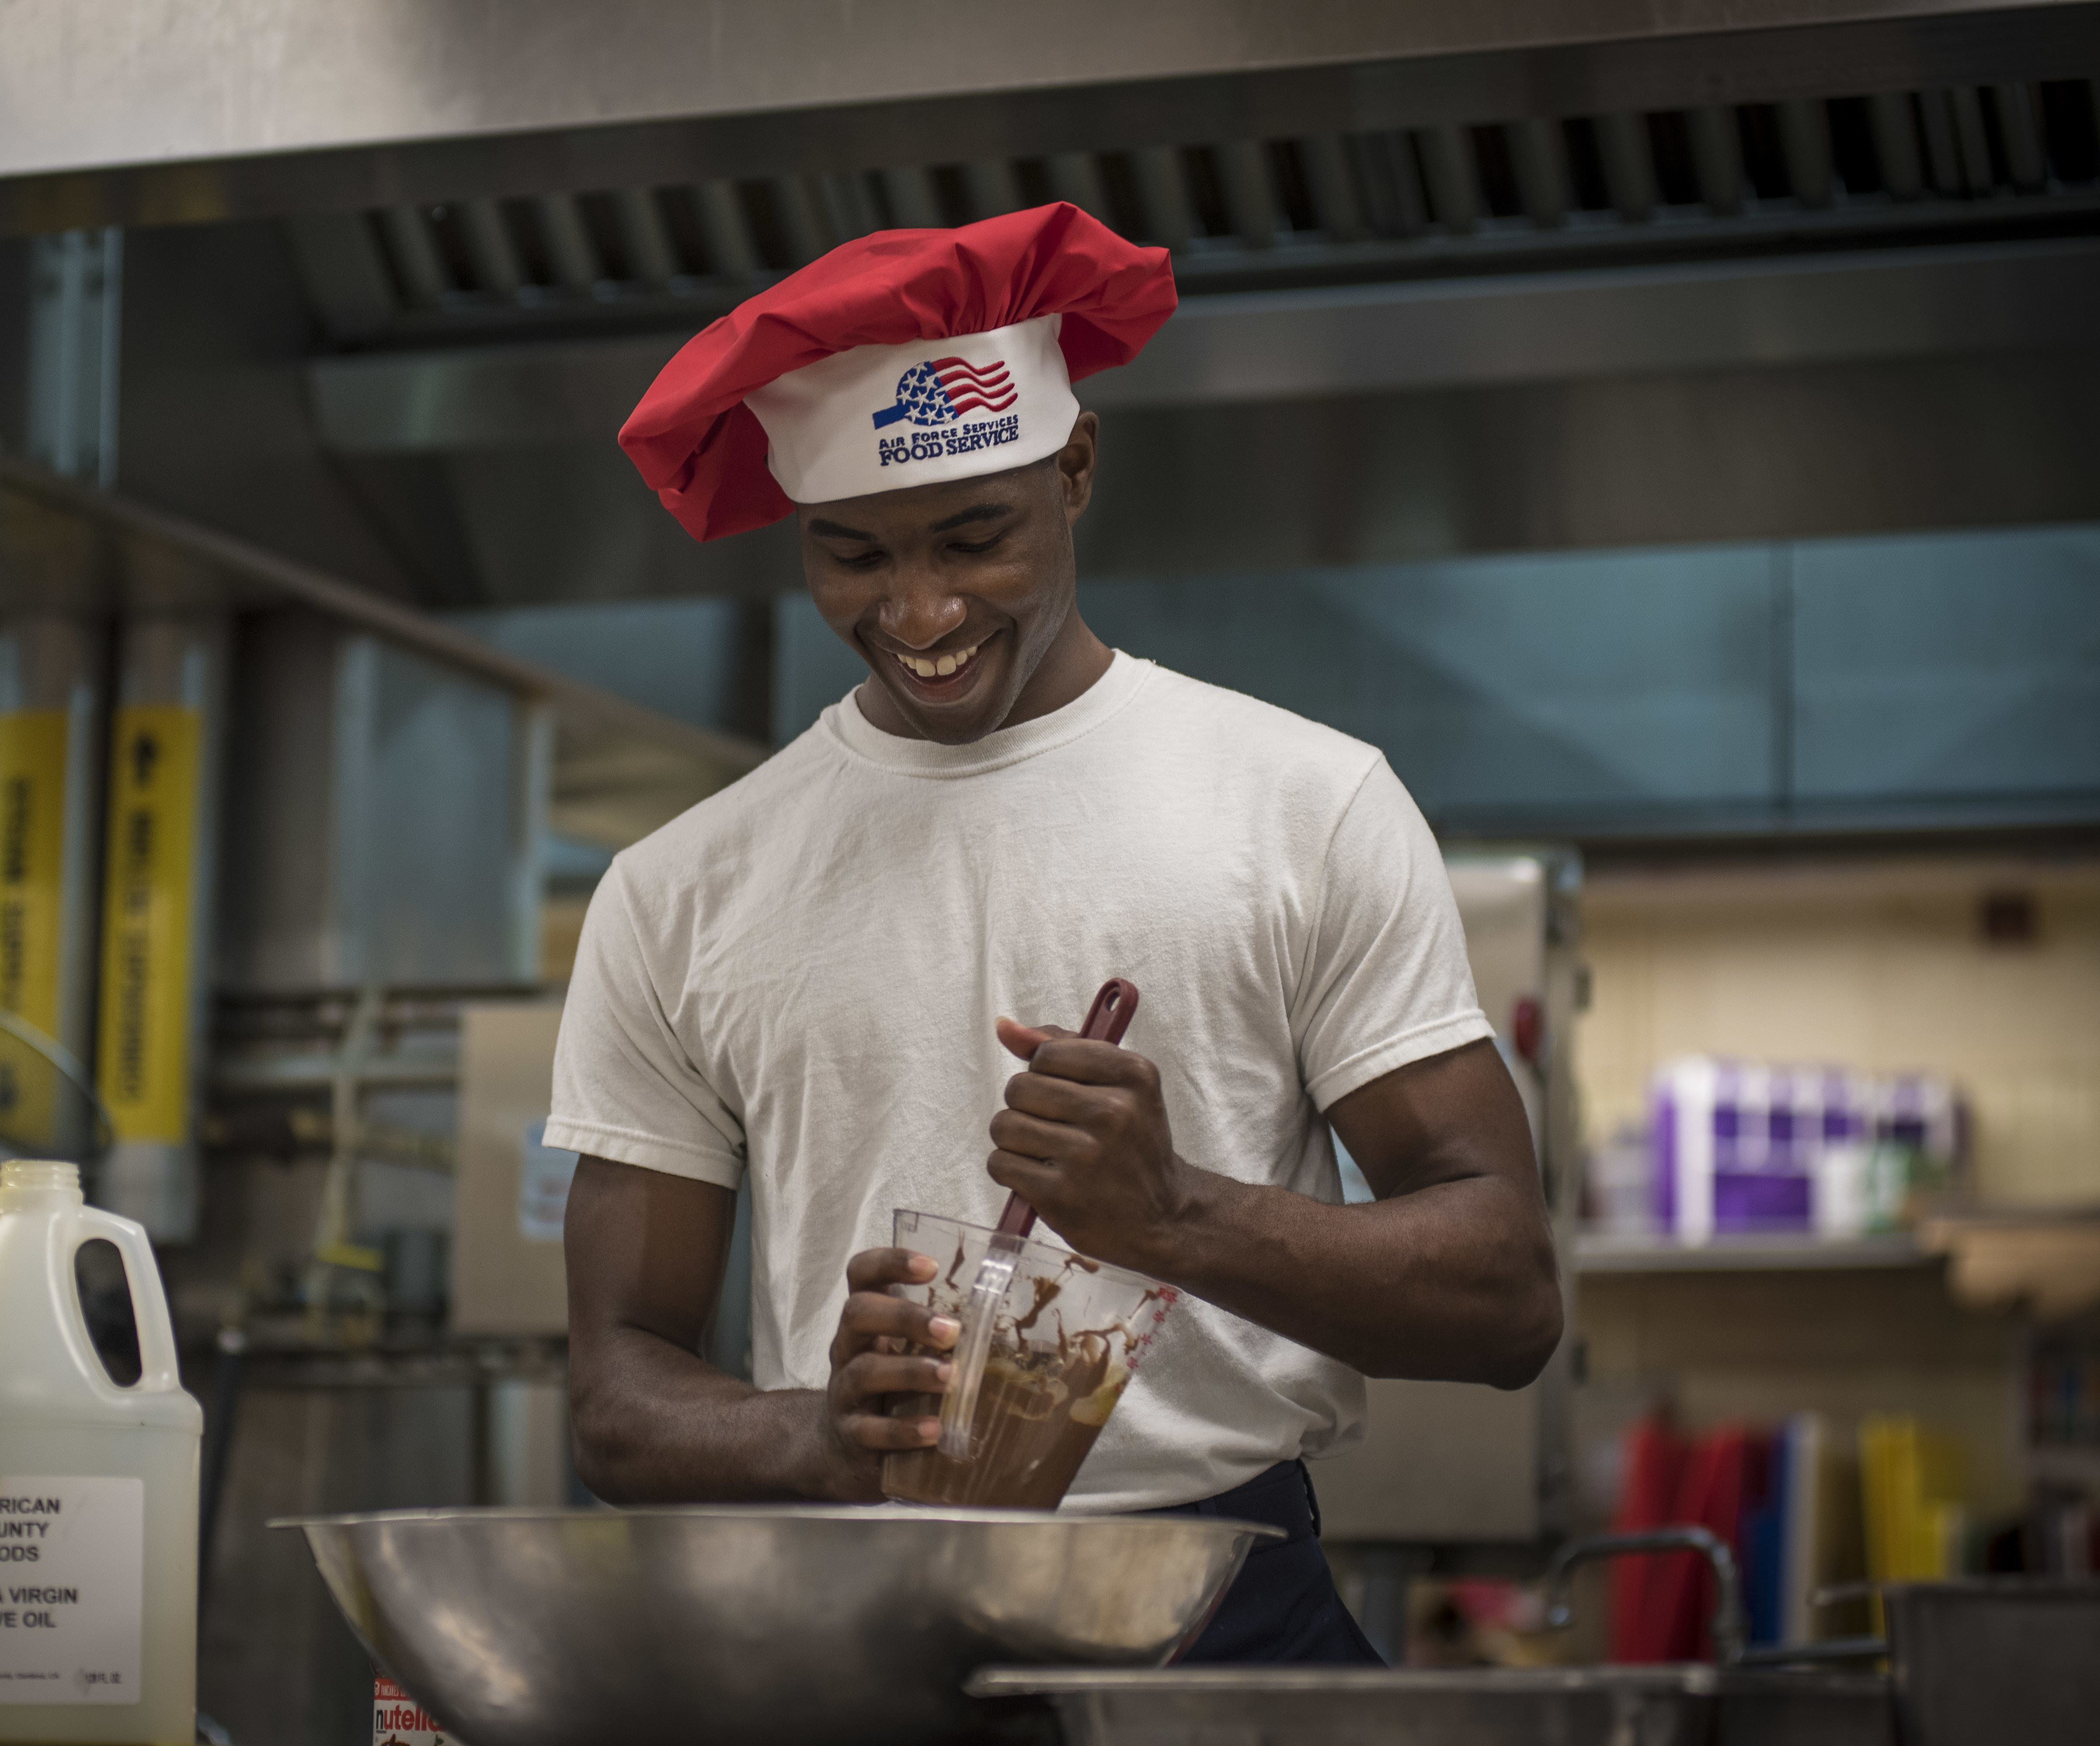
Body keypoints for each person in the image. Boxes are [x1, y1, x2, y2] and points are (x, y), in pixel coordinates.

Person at [544, 203, 1562, 1663]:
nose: (923, 610)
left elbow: (1508, 1298)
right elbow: (616, 1396)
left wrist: (1173, 1216)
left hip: (1220, 1619)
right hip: (857, 1636)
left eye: (976, 537)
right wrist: (820, 1438)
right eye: (854, 558)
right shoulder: (682, 889)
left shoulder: (1302, 805)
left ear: (1075, 469)